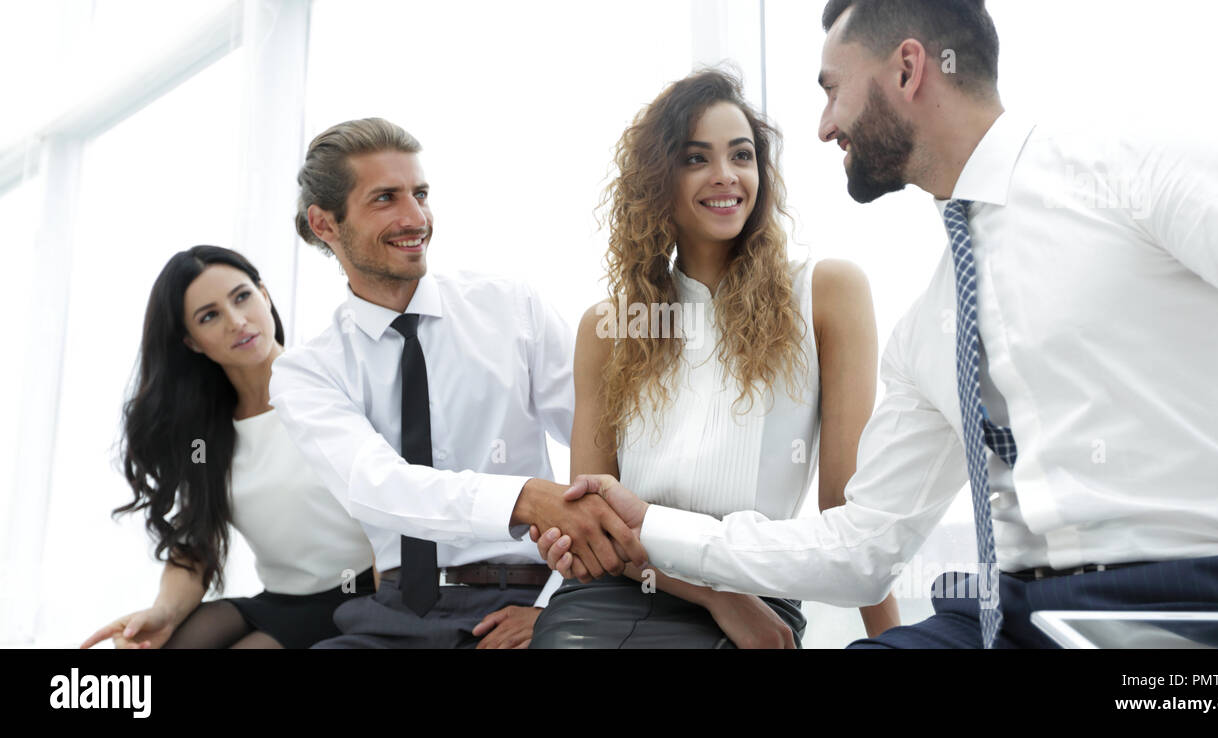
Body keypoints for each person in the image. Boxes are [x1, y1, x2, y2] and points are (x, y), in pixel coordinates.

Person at [536, 0, 1218, 648]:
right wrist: (653, 528)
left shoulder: (1137, 165)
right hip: (1007, 615)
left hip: (1196, 600)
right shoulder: (932, 325)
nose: (825, 126)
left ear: (908, 70)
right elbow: (862, 545)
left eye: (833, 89)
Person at [527, 70, 899, 648]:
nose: (726, 176)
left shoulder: (827, 293)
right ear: (658, 181)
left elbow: (848, 514)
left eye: (742, 155)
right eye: (696, 158)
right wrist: (718, 598)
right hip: (621, 593)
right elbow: (595, 518)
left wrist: (894, 643)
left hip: (759, 589)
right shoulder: (607, 327)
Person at [271, 117, 645, 649]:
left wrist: (555, 607)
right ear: (325, 224)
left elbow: (617, 455)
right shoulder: (307, 372)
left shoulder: (511, 308)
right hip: (394, 616)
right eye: (385, 199)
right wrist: (525, 497)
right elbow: (377, 485)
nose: (415, 218)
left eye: (419, 194)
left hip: (533, 598)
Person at [82, 246, 376, 650]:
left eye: (242, 297)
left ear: (265, 295)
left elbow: (399, 509)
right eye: (209, 316)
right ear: (192, 342)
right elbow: (196, 543)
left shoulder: (338, 385)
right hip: (279, 599)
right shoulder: (207, 433)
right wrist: (163, 613)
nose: (237, 322)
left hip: (361, 593)